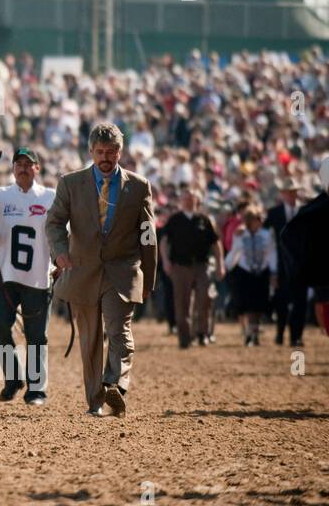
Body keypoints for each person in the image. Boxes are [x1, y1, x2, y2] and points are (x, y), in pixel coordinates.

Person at [45, 122, 157, 418]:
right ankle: (96, 402)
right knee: (90, 339)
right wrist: (59, 254)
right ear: (91, 152)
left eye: (111, 151)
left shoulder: (139, 186)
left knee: (119, 329)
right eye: (100, 152)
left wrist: (149, 275)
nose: (106, 157)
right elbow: (54, 222)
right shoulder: (70, 183)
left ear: (121, 152)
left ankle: (116, 386)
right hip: (81, 270)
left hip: (122, 271)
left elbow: (147, 233)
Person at [0, 147, 54, 405]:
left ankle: (37, 390)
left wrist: (59, 261)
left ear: (37, 168)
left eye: (28, 163)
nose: (23, 167)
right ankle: (13, 378)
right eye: (19, 163)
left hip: (38, 277)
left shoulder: (51, 197)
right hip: (7, 277)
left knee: (37, 336)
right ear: (13, 169)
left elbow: (60, 234)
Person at [162, 188, 225, 348]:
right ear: (181, 201)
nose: (189, 201)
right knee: (182, 303)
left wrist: (220, 264)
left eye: (192, 198)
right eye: (186, 198)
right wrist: (165, 261)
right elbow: (164, 242)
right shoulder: (174, 220)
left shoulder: (204, 219)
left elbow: (216, 243)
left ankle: (202, 333)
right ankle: (184, 337)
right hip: (180, 266)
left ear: (197, 200)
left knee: (204, 299)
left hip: (201, 265)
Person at [264, 177, 307, 346]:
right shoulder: (274, 213)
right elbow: (265, 234)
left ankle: (296, 336)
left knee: (300, 302)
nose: (291, 195)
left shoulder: (304, 211)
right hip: (281, 264)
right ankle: (280, 332)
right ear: (282, 194)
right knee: (282, 300)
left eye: (294, 192)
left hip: (301, 263)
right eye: (288, 192)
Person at [226, 204, 276, 346]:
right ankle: (250, 333)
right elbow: (235, 252)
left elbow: (271, 254)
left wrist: (274, 272)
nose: (257, 221)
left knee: (258, 306)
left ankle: (254, 333)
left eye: (258, 219)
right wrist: (226, 265)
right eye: (253, 219)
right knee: (247, 306)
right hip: (245, 274)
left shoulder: (267, 235)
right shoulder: (240, 235)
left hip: (262, 274)